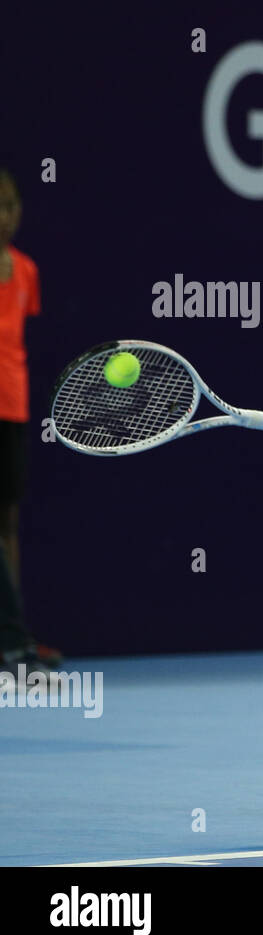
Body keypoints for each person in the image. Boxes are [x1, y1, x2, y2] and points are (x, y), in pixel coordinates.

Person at [0, 166, 61, 678]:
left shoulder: (27, 271)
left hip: (13, 409)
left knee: (8, 524)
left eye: (10, 206)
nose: (3, 217)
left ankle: (13, 635)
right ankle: (12, 642)